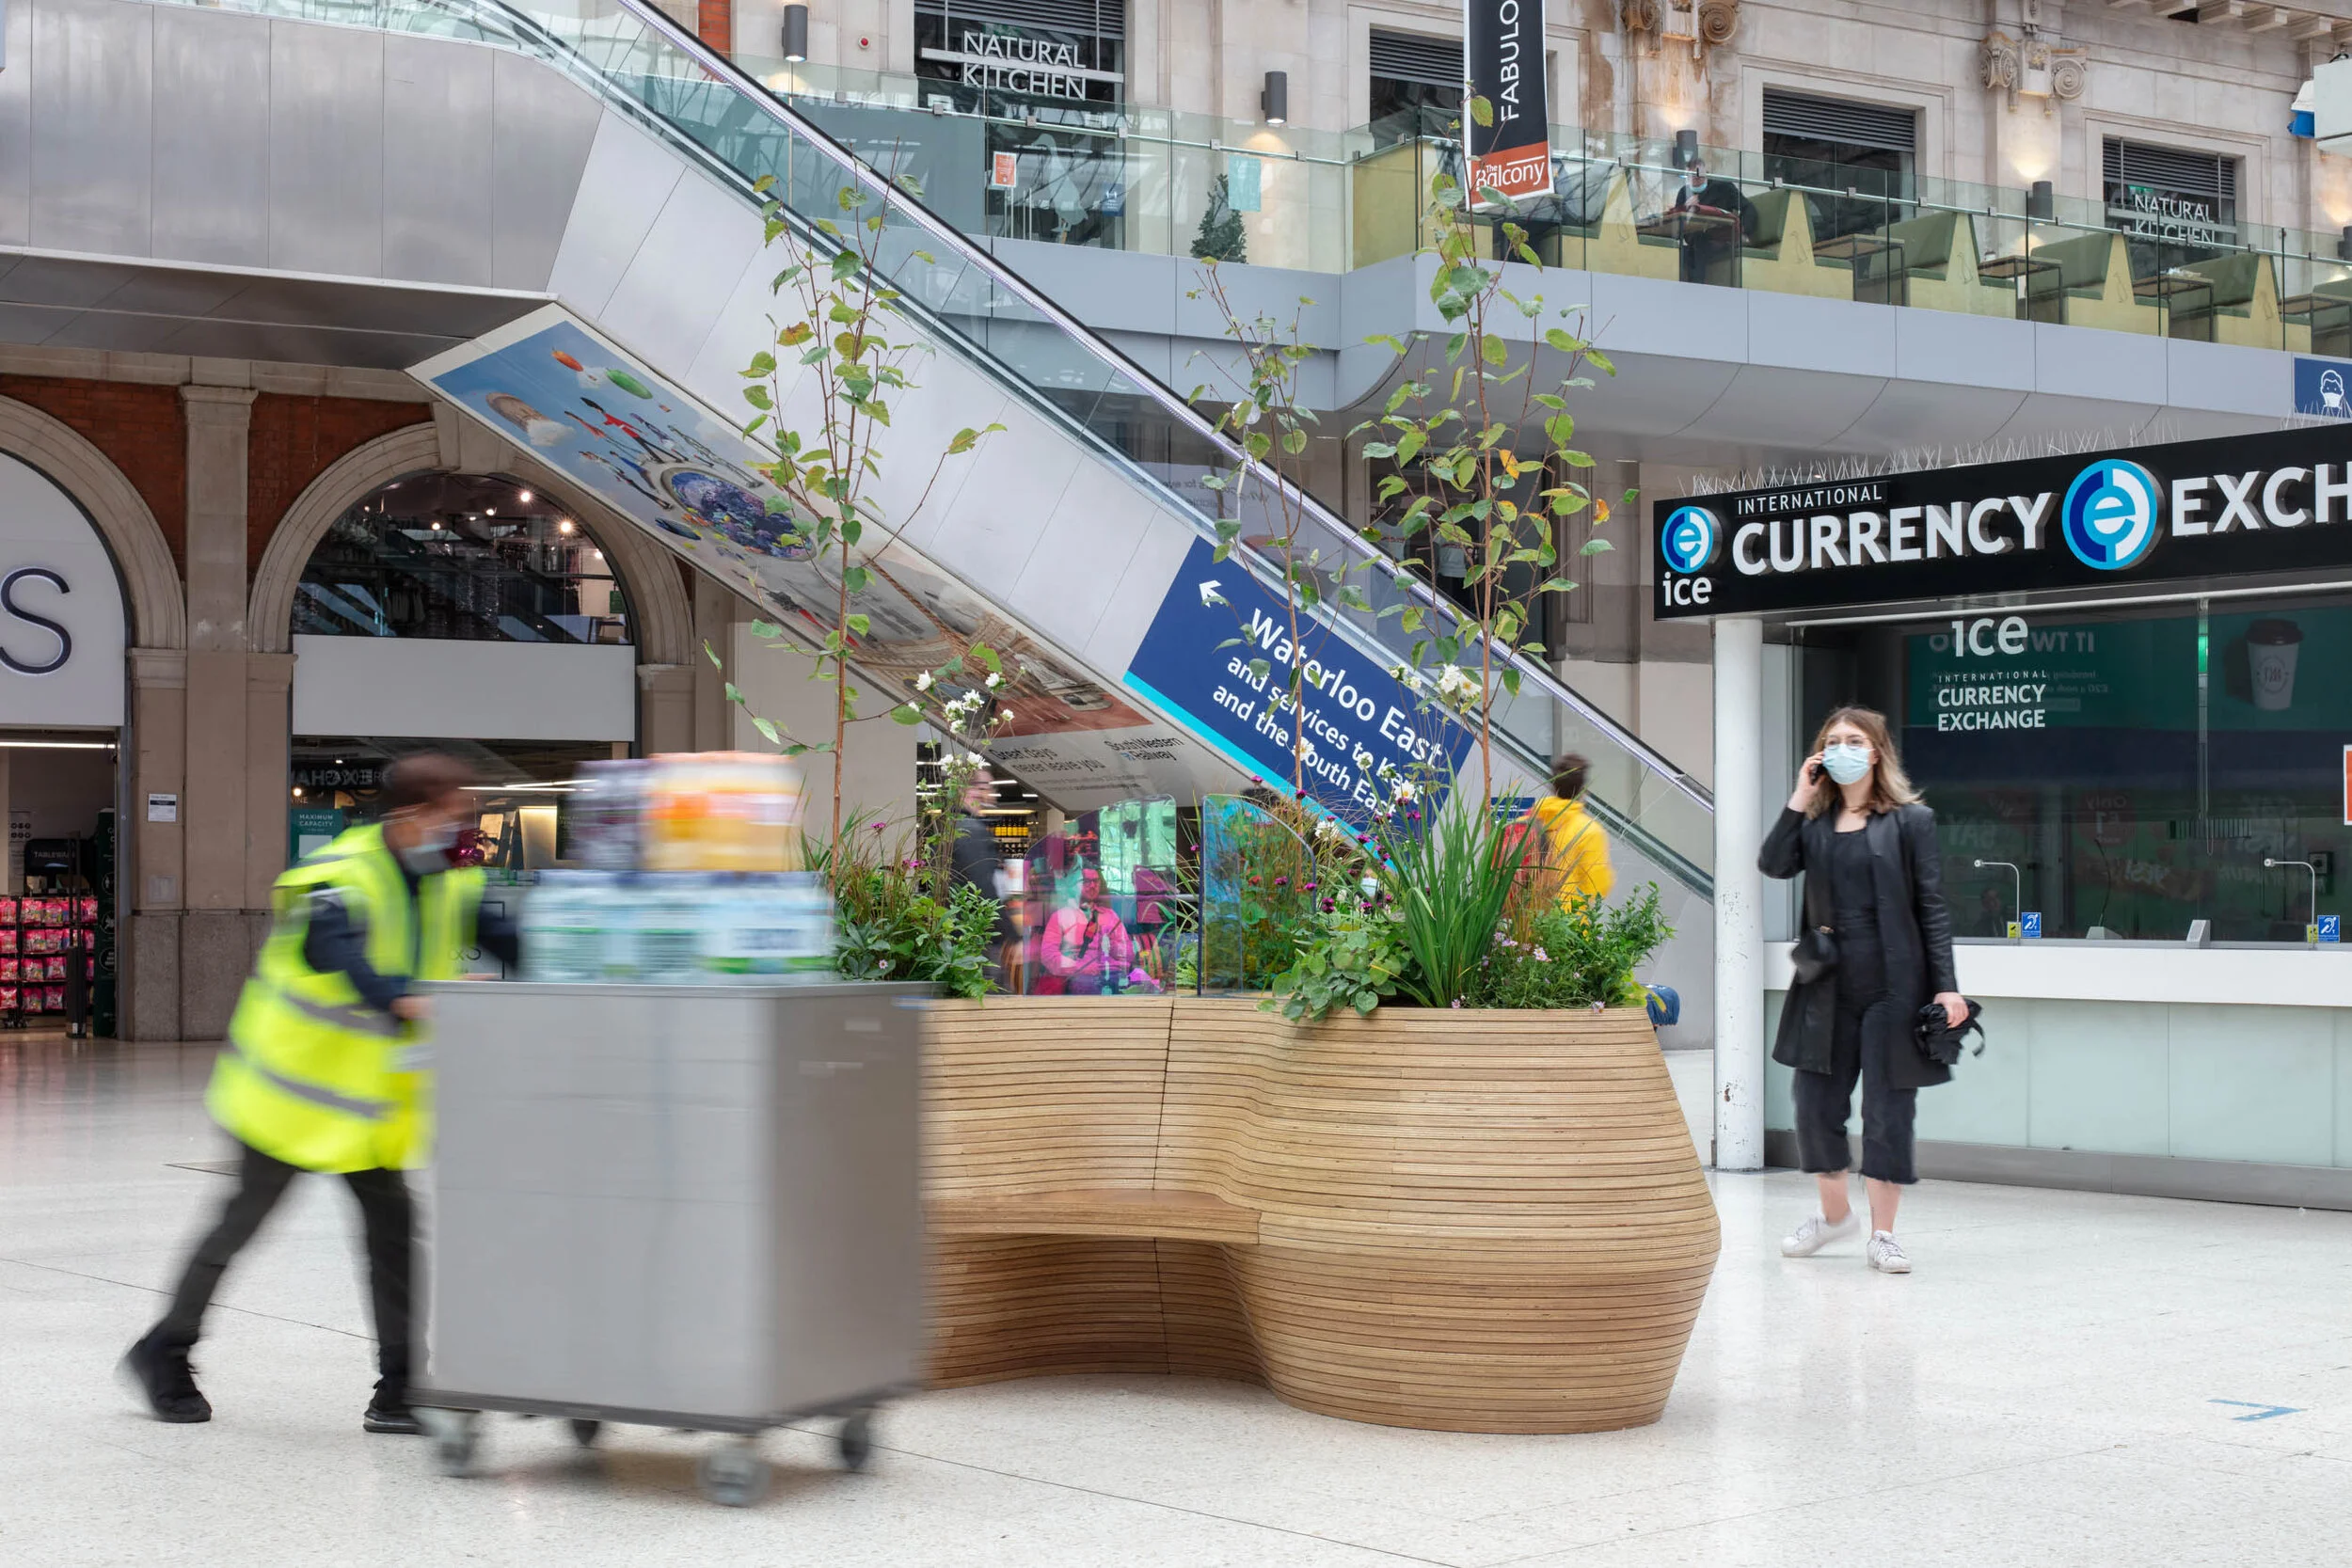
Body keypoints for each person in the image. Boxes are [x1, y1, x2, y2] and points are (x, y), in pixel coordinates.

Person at [120, 752, 518, 1432]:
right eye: (452, 815)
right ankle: (165, 1349)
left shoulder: (449, 881)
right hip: (287, 1097)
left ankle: (401, 1387)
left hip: (365, 1110)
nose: (461, 829)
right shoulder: (337, 876)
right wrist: (410, 1000)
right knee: (240, 1225)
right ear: (408, 815)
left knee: (395, 1235)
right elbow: (336, 953)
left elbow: (512, 937)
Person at [1759, 707, 1964, 1275]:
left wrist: (1947, 989)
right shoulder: (1816, 826)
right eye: (1832, 741)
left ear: (1876, 752)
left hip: (1894, 989)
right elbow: (1772, 863)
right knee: (1814, 1105)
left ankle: (1884, 1235)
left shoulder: (1910, 821)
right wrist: (1801, 796)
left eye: (1854, 740)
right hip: (1825, 987)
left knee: (1888, 1111)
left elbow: (1933, 907)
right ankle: (1833, 1217)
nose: (1841, 748)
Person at [1039, 863, 1149, 995]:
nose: (1092, 886)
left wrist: (1112, 944)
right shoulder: (1060, 916)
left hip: (1112, 976)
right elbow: (1048, 956)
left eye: (1095, 881)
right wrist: (1081, 968)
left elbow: (1127, 953)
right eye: (1086, 881)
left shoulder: (1110, 916)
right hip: (1076, 979)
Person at [1522, 753, 1615, 910]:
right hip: (1566, 924)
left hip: (1527, 922)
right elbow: (1598, 887)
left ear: (1554, 786)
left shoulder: (1530, 819)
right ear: (1583, 790)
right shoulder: (1589, 831)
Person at [948, 766, 1013, 981]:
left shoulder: (948, 826)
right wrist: (1012, 936)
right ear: (971, 790)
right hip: (976, 941)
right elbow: (984, 890)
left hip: (954, 937)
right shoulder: (971, 830)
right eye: (987, 787)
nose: (991, 796)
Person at [1671, 153, 1758, 285]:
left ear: (1707, 172)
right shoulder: (1684, 192)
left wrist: (1743, 231)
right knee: (1681, 252)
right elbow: (1677, 226)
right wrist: (1686, 209)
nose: (1696, 178)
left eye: (1699, 173)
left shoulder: (1722, 187)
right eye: (1692, 175)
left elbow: (1748, 207)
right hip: (1693, 241)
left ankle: (1697, 285)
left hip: (1719, 239)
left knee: (1700, 240)